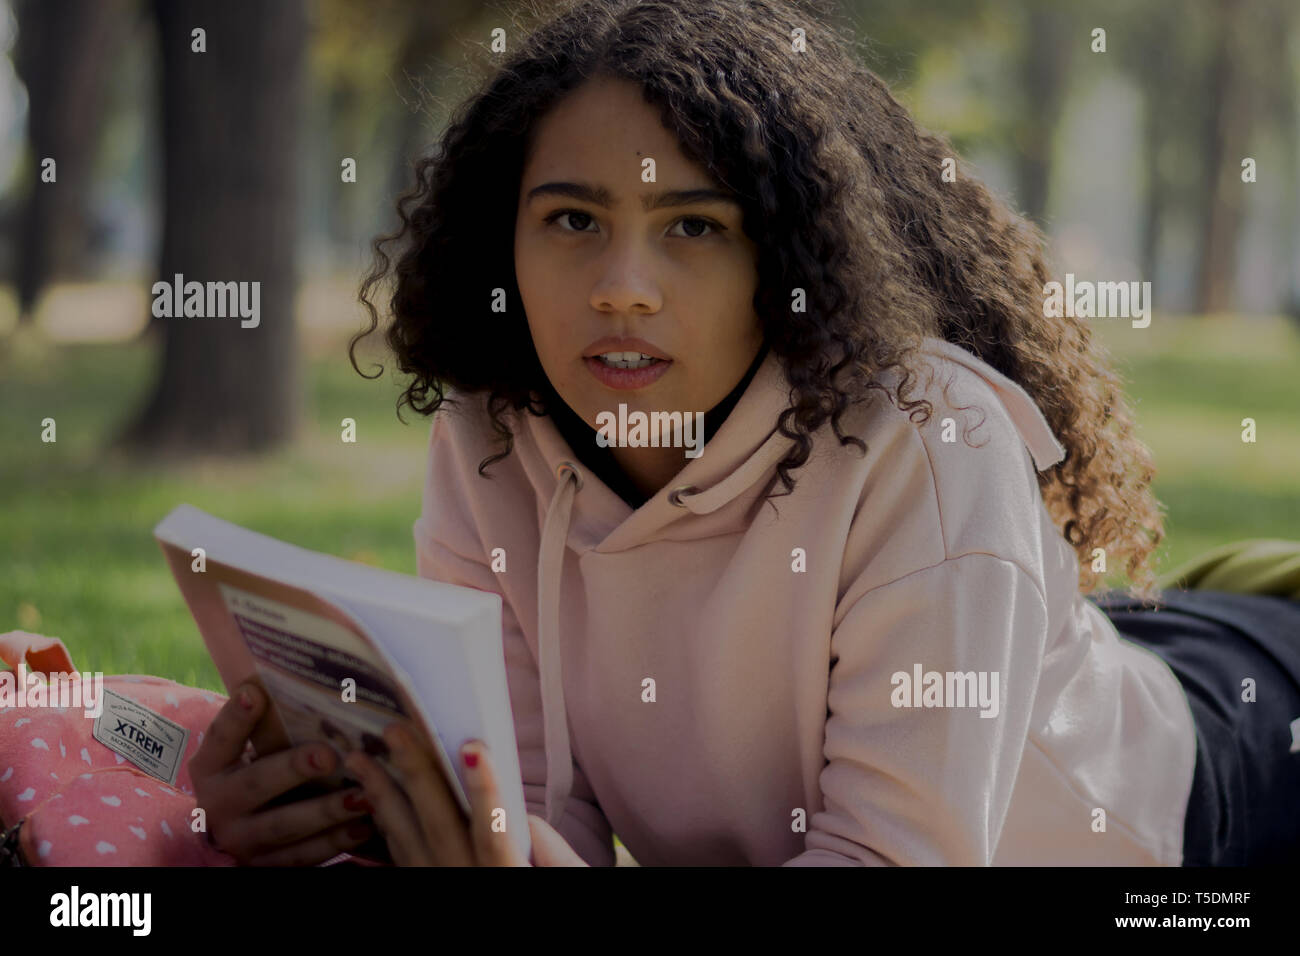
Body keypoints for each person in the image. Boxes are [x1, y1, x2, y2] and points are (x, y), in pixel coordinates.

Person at [190, 0, 1300, 866]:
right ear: (504, 238)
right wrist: (353, 821)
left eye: (693, 227)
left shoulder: (926, 440)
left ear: (783, 258)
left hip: (1198, 787)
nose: (623, 288)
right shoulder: (493, 436)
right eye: (572, 219)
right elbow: (532, 811)